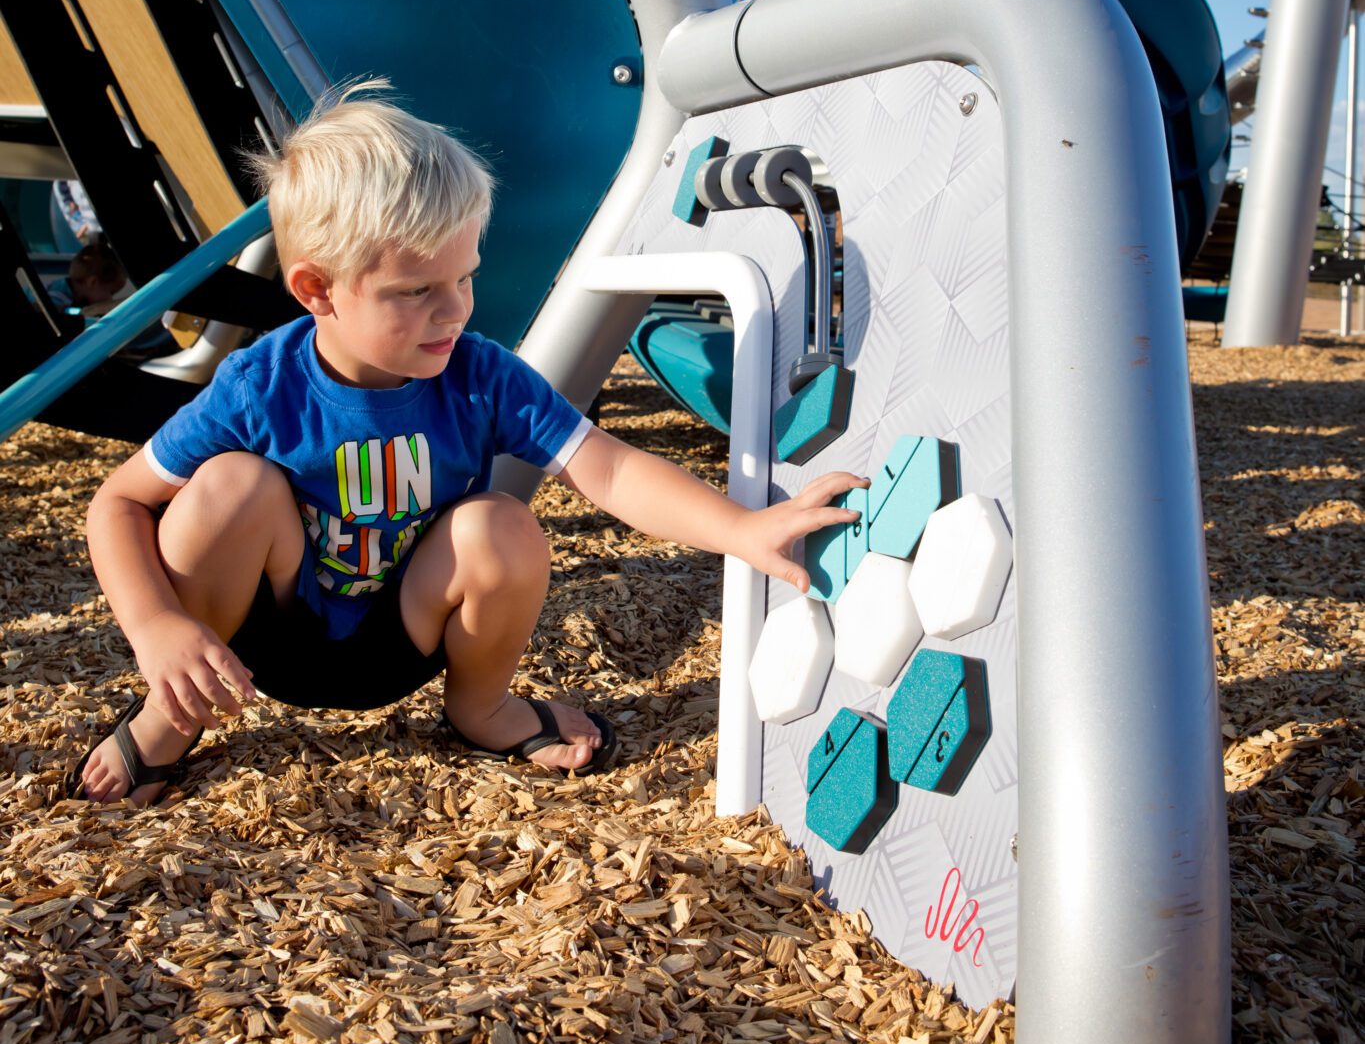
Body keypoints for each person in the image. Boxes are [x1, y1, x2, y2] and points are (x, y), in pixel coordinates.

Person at [73, 86, 862, 804]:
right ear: (317, 290)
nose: (452, 312)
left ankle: (481, 706)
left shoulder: (479, 376)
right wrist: (155, 629)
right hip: (256, 640)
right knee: (228, 487)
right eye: (415, 292)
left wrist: (742, 529)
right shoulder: (260, 385)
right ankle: (171, 714)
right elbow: (118, 502)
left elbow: (608, 467)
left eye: (464, 278)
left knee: (503, 523)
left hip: (401, 636)